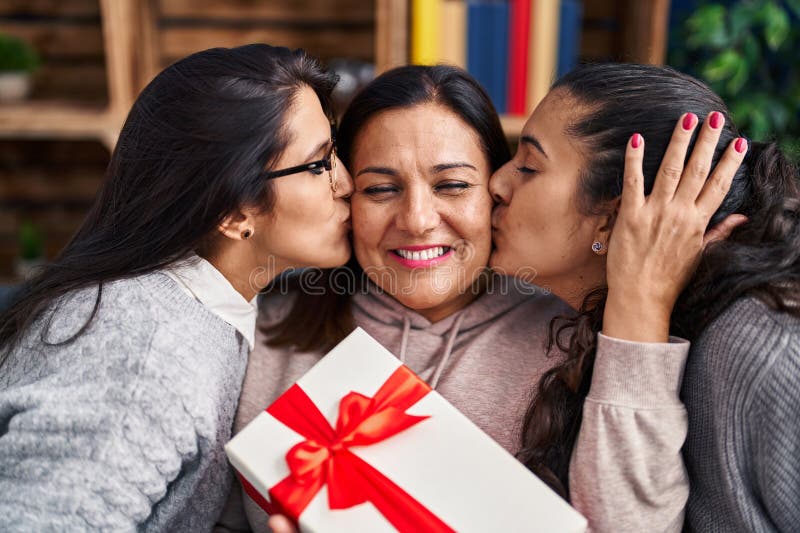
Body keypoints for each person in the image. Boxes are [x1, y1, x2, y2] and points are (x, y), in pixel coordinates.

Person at [216, 64, 742, 533]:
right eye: (380, 189)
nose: (418, 220)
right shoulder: (262, 331)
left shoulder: (577, 339)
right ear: (343, 196)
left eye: (451, 186)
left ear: (493, 188)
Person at [0, 44, 353, 531]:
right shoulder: (147, 352)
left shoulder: (222, 305)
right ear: (232, 213)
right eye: (319, 165)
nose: (347, 182)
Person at [489, 62, 798, 532]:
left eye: (529, 167)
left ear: (613, 220)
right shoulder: (591, 322)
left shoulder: (760, 344)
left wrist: (642, 305)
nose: (496, 183)